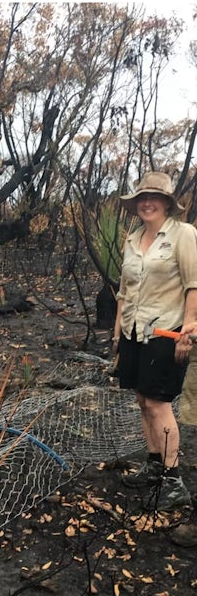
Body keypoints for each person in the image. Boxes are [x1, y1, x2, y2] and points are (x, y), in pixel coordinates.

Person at [113, 172, 197, 508]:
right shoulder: (132, 239)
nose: (147, 203)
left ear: (166, 203)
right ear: (135, 205)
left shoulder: (183, 235)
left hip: (167, 331)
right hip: (134, 330)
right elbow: (124, 290)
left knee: (159, 403)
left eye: (154, 197)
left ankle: (173, 480)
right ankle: (153, 464)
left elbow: (194, 285)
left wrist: (189, 330)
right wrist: (118, 331)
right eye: (141, 198)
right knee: (142, 400)